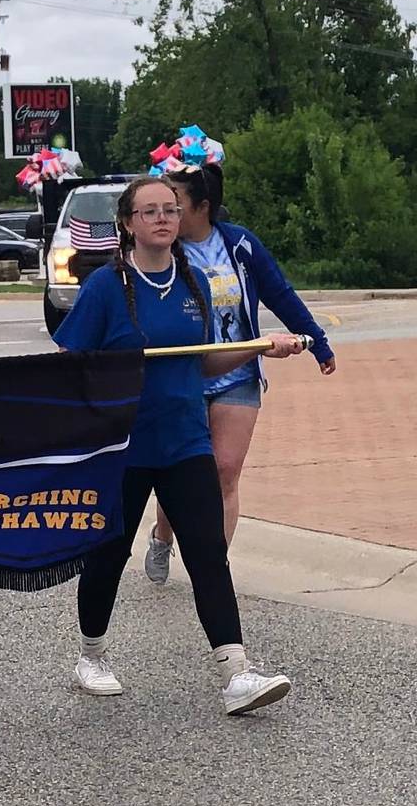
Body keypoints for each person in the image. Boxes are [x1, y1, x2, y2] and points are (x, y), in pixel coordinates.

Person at [52, 176, 309, 715]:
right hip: (122, 445)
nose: (162, 219)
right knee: (108, 554)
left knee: (207, 553)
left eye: (169, 210)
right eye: (149, 212)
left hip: (185, 440)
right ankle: (90, 657)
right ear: (128, 224)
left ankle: (236, 674)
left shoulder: (193, 283)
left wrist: (259, 348)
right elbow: (68, 362)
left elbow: (206, 360)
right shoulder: (106, 287)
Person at [144, 162, 338, 583]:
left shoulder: (240, 246)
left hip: (238, 373)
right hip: (183, 376)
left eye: (176, 204)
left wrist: (316, 341)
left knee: (225, 469)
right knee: (183, 470)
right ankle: (162, 536)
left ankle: (213, 566)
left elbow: (279, 293)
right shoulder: (162, 250)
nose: (168, 214)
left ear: (202, 207)